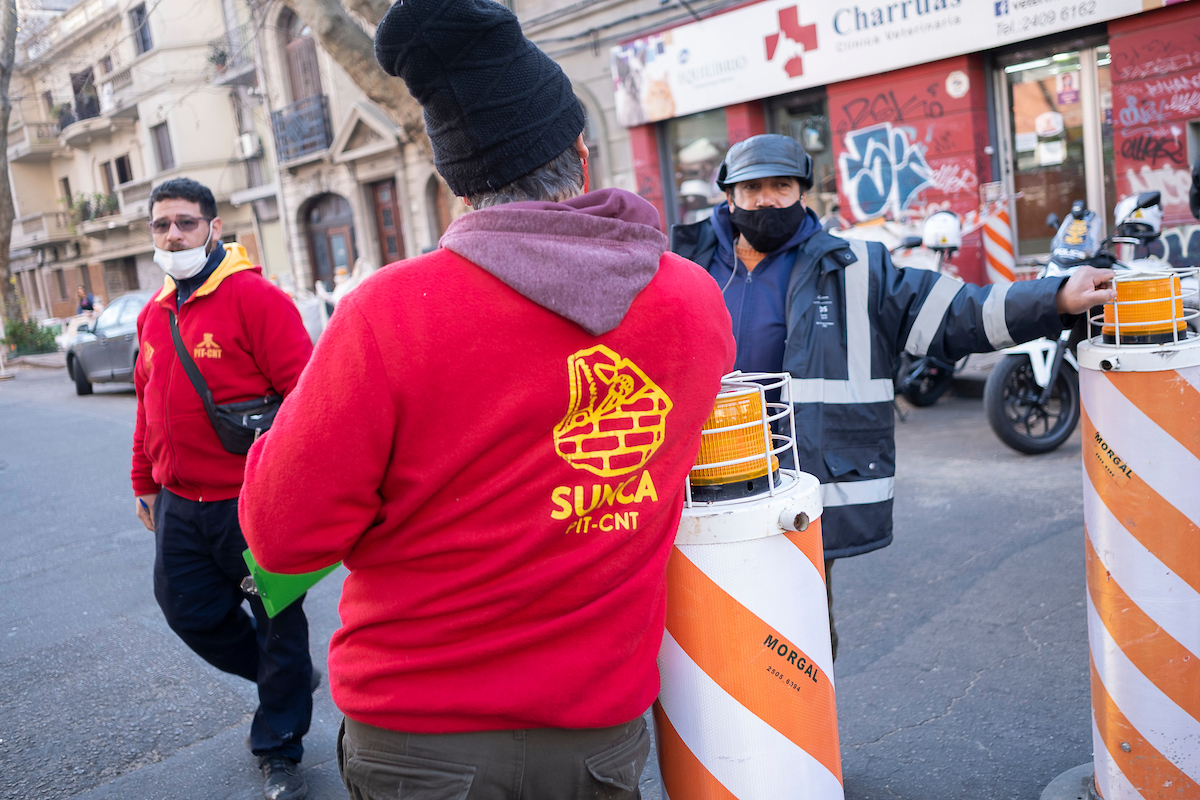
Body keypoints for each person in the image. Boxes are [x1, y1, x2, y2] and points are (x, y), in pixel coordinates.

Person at [238, 1, 735, 798]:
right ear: (580, 150)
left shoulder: (386, 314)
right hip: (599, 733)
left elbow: (284, 537)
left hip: (419, 736)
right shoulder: (692, 302)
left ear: (452, 182)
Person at [671, 134, 1116, 659]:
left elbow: (959, 313)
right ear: (729, 197)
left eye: (781, 186)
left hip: (799, 485)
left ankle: (802, 734)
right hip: (695, 482)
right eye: (752, 189)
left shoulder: (856, 268)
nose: (767, 200)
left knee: (796, 638)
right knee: (701, 635)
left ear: (804, 195)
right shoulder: (679, 264)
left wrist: (1053, 297)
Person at [130, 178, 316, 800]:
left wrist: (288, 484)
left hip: (251, 505)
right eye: (162, 225)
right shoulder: (151, 315)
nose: (173, 234)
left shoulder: (255, 299)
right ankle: (282, 678)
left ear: (213, 227)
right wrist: (144, 483)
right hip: (180, 504)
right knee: (188, 612)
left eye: (185, 223)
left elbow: (310, 397)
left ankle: (279, 751)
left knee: (278, 621)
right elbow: (145, 407)